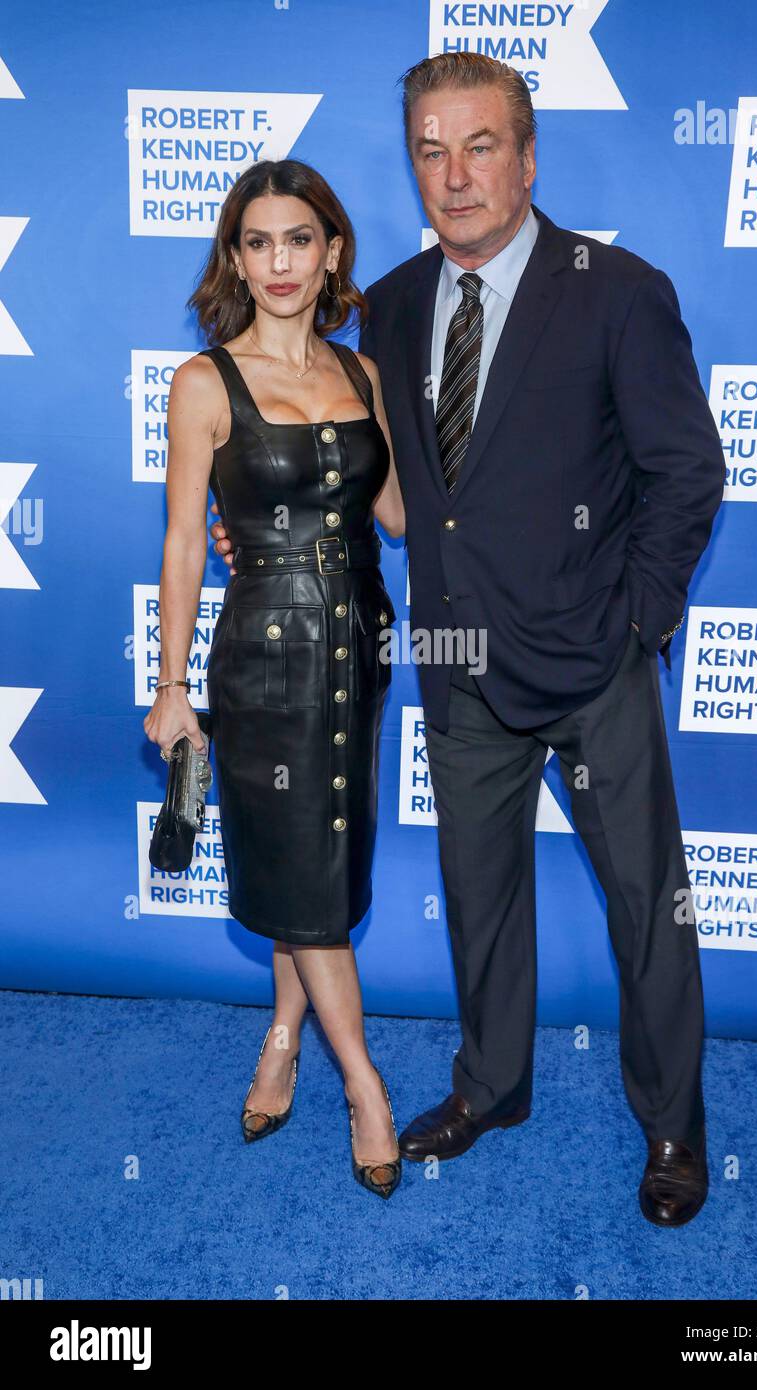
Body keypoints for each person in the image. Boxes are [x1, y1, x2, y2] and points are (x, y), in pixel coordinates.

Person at [211, 54, 727, 1227]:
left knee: (647, 906)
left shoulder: (616, 290)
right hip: (456, 669)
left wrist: (635, 623)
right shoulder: (390, 304)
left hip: (592, 664)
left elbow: (685, 472)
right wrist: (267, 528)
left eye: (479, 145)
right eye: (429, 150)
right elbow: (367, 478)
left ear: (527, 158)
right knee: (478, 897)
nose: (453, 175)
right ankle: (491, 1086)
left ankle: (671, 1125)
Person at [144, 158, 406, 1201]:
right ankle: (365, 1088)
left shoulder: (364, 374)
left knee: (321, 868)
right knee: (306, 873)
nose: (280, 261)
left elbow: (396, 518)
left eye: (299, 239)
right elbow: (182, 542)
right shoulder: (204, 381)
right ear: (237, 260)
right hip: (264, 655)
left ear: (331, 251)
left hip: (359, 645)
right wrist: (172, 686)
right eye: (258, 243)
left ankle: (284, 1036)